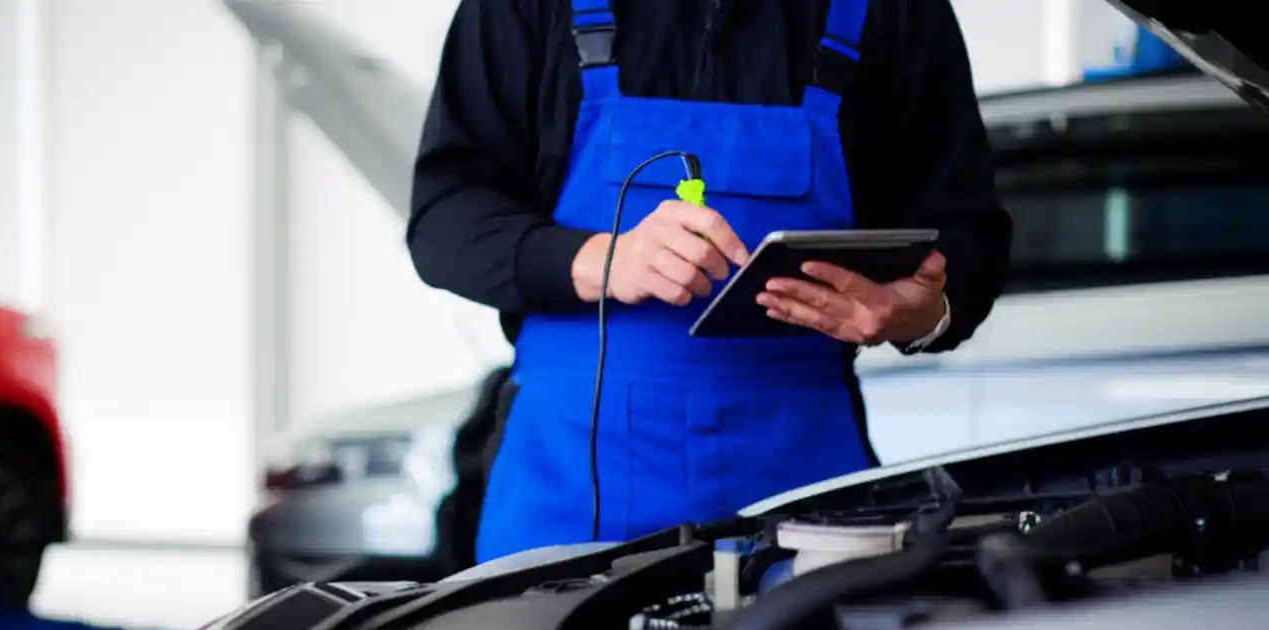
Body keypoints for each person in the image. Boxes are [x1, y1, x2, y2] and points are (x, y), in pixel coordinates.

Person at [408, 0, 1012, 564]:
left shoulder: (892, 9)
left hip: (807, 480)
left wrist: (923, 312)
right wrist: (602, 259)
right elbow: (444, 218)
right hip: (566, 479)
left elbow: (970, 235)